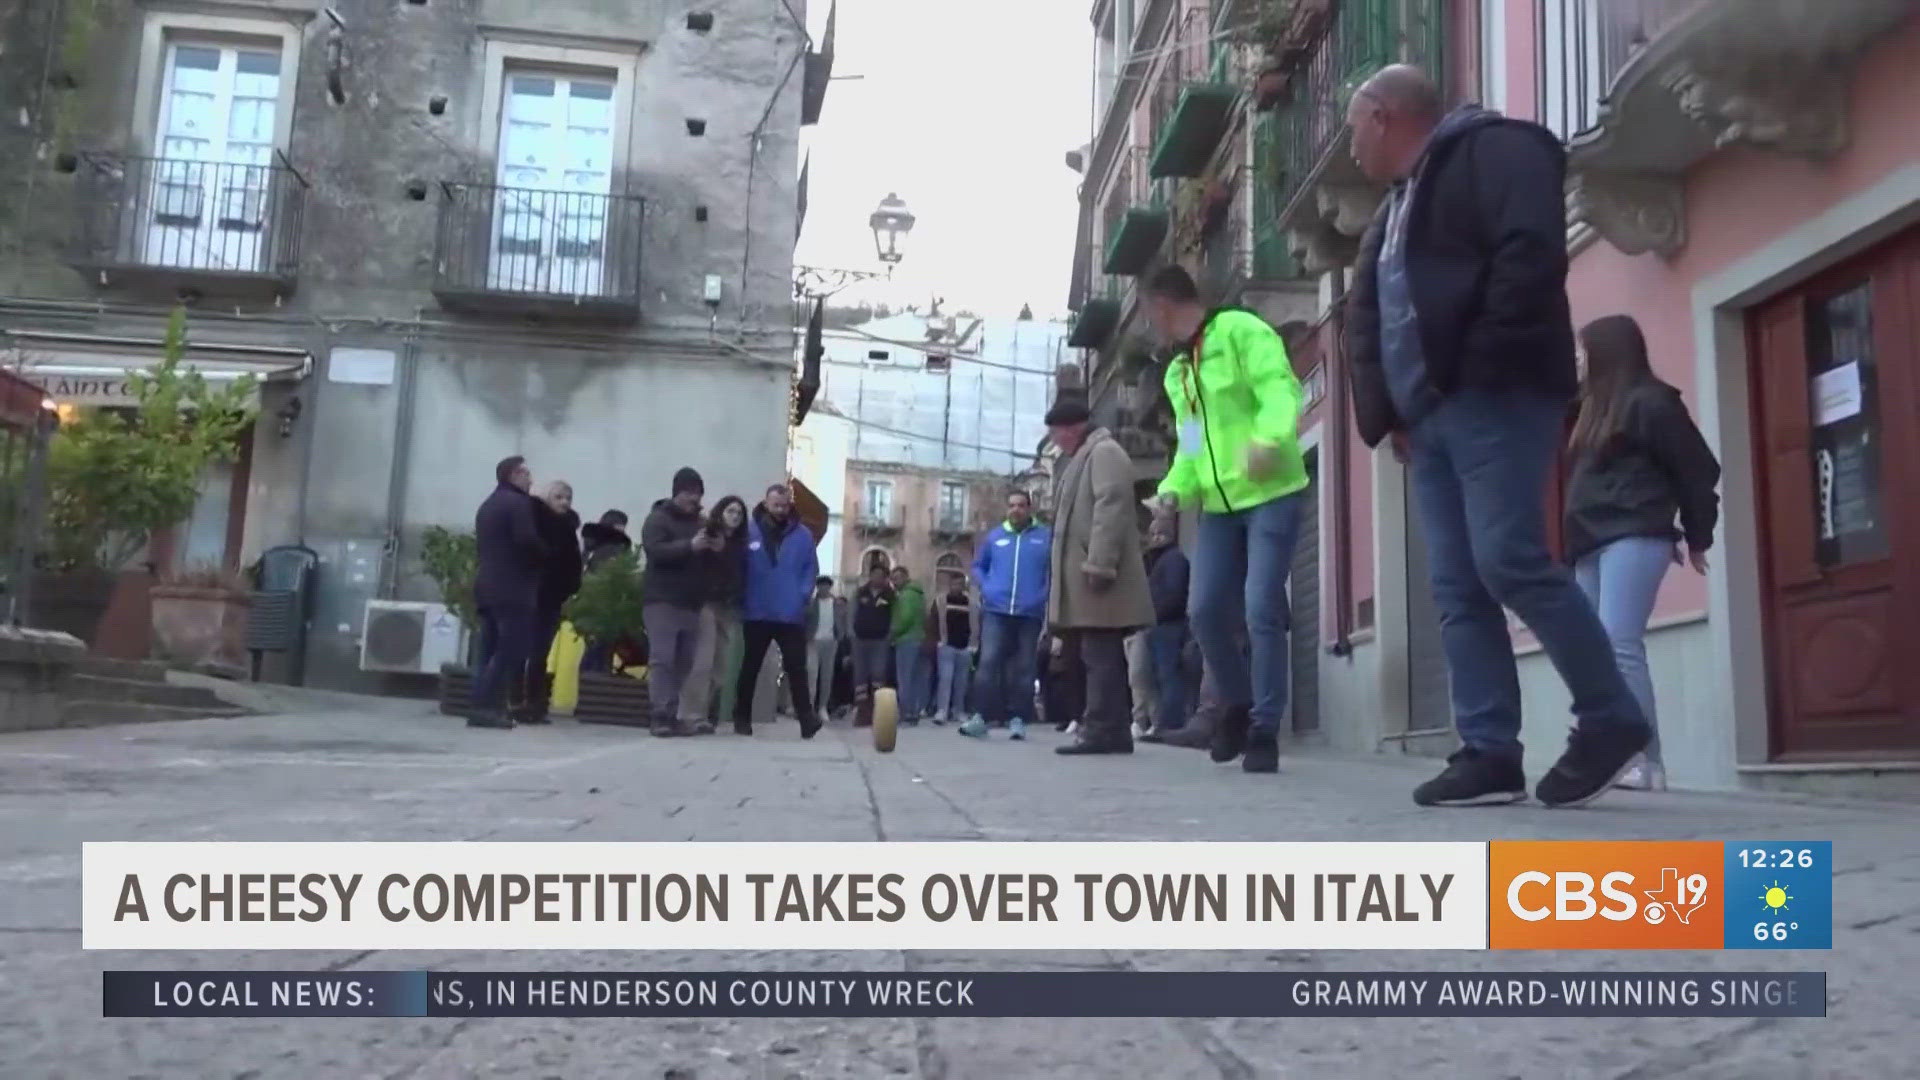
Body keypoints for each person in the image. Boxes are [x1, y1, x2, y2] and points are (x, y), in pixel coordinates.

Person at [1344, 63, 1651, 807]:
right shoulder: (1394, 208)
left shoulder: (1499, 150)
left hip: (1493, 395)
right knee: (1455, 586)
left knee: (1510, 560)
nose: (1351, 148)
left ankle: (1611, 718)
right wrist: (1392, 413)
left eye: (1354, 129)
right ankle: (1488, 755)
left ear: (1384, 116)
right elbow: (1375, 314)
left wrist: (1472, 369)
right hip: (1431, 421)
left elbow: (1528, 260)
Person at [1144, 263, 1311, 775]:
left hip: (1273, 493)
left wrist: (1268, 440)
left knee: (1261, 606)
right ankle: (1236, 704)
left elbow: (1280, 391)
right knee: (1204, 611)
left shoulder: (1242, 331)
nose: (1152, 325)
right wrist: (1171, 493)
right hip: (1219, 508)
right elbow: (1190, 449)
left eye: (1151, 314)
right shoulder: (1179, 374)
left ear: (1163, 306)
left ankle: (1264, 728)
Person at [1564, 315, 1721, 791]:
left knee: (1620, 644)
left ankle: (1644, 762)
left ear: (1608, 352)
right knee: (1598, 651)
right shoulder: (1593, 410)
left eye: (1583, 350)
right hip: (1589, 541)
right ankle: (1624, 755)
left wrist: (1697, 535)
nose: (1578, 359)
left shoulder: (1654, 403)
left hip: (1634, 534)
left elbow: (1697, 468)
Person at [1045, 397, 1154, 755]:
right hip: (1086, 574)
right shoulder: (1086, 456)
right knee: (1094, 652)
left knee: (1100, 652)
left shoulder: (1104, 453)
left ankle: (1106, 729)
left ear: (1072, 428)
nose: (1055, 440)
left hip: (1097, 574)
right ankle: (1108, 728)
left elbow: (1111, 506)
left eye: (1057, 433)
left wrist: (1099, 562)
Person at [733, 483, 822, 738]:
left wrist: (802, 595)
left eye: (785, 505)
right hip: (757, 610)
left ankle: (807, 719)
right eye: (776, 505)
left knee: (797, 667)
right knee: (751, 666)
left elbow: (810, 568)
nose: (781, 510)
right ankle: (742, 717)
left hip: (789, 612)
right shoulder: (748, 532)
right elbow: (739, 566)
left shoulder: (803, 535)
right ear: (766, 503)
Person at [470, 455, 545, 729]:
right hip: (513, 588)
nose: (531, 480)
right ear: (513, 475)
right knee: (511, 649)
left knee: (487, 651)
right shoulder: (518, 504)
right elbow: (527, 541)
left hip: (487, 586)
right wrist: (545, 555)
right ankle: (486, 708)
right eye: (526, 474)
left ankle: (481, 705)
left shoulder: (488, 505)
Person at [969, 490, 1051, 738]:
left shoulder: (1045, 537)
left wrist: (1042, 594)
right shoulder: (995, 537)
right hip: (996, 610)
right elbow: (977, 567)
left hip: (1029, 613)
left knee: (1025, 667)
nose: (1016, 510)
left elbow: (1053, 571)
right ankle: (979, 717)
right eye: (1012, 505)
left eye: (1021, 506)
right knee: (988, 662)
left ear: (1030, 509)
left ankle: (1018, 719)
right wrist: (987, 588)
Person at [640, 467, 710, 738]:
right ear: (678, 493)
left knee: (684, 662)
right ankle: (659, 714)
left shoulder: (701, 523)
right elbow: (655, 551)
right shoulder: (658, 519)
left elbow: (709, 563)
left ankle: (672, 713)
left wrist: (714, 551)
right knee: (663, 659)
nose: (696, 500)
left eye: (699, 495)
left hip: (691, 602)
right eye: (691, 494)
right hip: (662, 600)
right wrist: (689, 546)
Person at [679, 494, 750, 735]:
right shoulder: (708, 536)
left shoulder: (740, 544)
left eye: (739, 513)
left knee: (720, 669)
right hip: (705, 603)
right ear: (720, 513)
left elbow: (738, 575)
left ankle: (704, 713)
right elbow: (699, 566)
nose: (735, 517)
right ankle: (690, 715)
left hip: (727, 607)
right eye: (730, 511)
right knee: (703, 661)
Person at [519, 480, 580, 725]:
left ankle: (535, 703)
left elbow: (572, 563)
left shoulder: (567, 527)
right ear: (546, 498)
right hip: (531, 595)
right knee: (526, 651)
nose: (564, 502)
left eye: (568, 497)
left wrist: (570, 588)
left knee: (540, 653)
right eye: (559, 497)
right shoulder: (535, 522)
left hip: (553, 597)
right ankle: (520, 701)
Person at [1139, 515, 1196, 742]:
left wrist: (1154, 615)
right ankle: (1165, 723)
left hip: (1168, 626)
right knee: (1161, 675)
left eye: (1160, 533)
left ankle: (1170, 724)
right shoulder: (1160, 559)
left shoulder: (1173, 559)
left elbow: (1174, 595)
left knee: (1168, 675)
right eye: (1152, 534)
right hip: (1160, 625)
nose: (1155, 538)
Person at [577, 509, 631, 675]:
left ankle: (586, 682)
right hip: (604, 605)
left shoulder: (591, 547)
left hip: (586, 604)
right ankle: (595, 680)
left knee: (596, 646)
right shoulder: (612, 549)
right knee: (601, 647)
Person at [849, 562, 895, 726]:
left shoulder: (890, 595)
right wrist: (852, 633)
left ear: (885, 578)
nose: (877, 578)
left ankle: (878, 711)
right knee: (860, 676)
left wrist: (889, 635)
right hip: (860, 640)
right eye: (874, 574)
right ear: (870, 576)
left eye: (880, 575)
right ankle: (861, 711)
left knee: (878, 674)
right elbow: (852, 612)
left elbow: (894, 616)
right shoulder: (860, 592)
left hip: (880, 641)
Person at [887, 565, 930, 726]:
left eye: (896, 578)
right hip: (919, 638)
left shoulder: (906, 596)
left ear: (905, 577)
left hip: (906, 640)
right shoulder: (919, 595)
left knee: (904, 678)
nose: (894, 582)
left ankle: (906, 713)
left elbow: (904, 618)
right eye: (892, 579)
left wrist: (892, 633)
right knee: (916, 679)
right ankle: (914, 711)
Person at [934, 574, 977, 730]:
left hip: (965, 646)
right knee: (945, 679)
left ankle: (958, 710)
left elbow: (975, 622)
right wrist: (939, 640)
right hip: (947, 645)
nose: (957, 587)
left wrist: (973, 643)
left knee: (961, 681)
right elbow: (935, 620)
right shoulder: (942, 600)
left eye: (960, 584)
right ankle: (942, 710)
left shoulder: (971, 602)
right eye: (954, 584)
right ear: (950, 585)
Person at [805, 576, 848, 723]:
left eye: (826, 586)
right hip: (813, 641)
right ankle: (809, 707)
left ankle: (822, 707)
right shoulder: (811, 603)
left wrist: (840, 635)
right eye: (821, 586)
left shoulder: (836, 604)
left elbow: (843, 621)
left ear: (830, 587)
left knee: (826, 676)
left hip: (831, 642)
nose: (823, 588)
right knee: (812, 675)